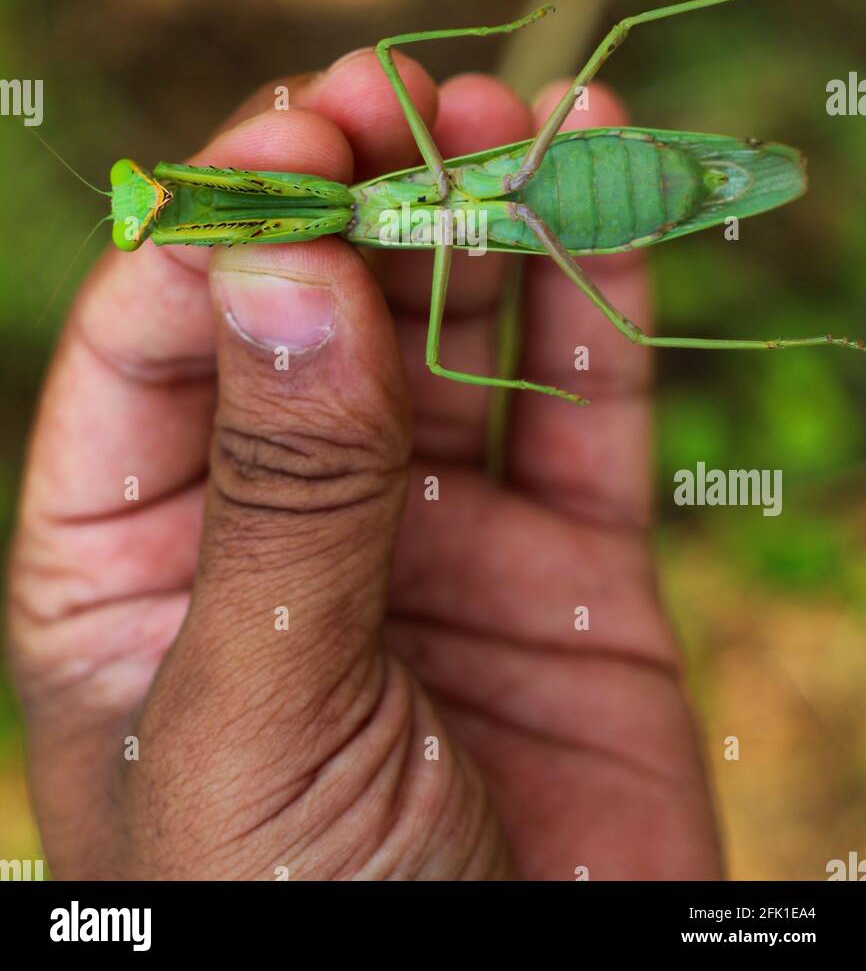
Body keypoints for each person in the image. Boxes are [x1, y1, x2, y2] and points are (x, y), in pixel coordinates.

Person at [9, 48, 722, 880]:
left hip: (481, 194)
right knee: (578, 329)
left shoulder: (292, 215)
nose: (157, 199)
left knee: (417, 73)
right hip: (493, 217)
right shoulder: (290, 238)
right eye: (152, 211)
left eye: (155, 191)